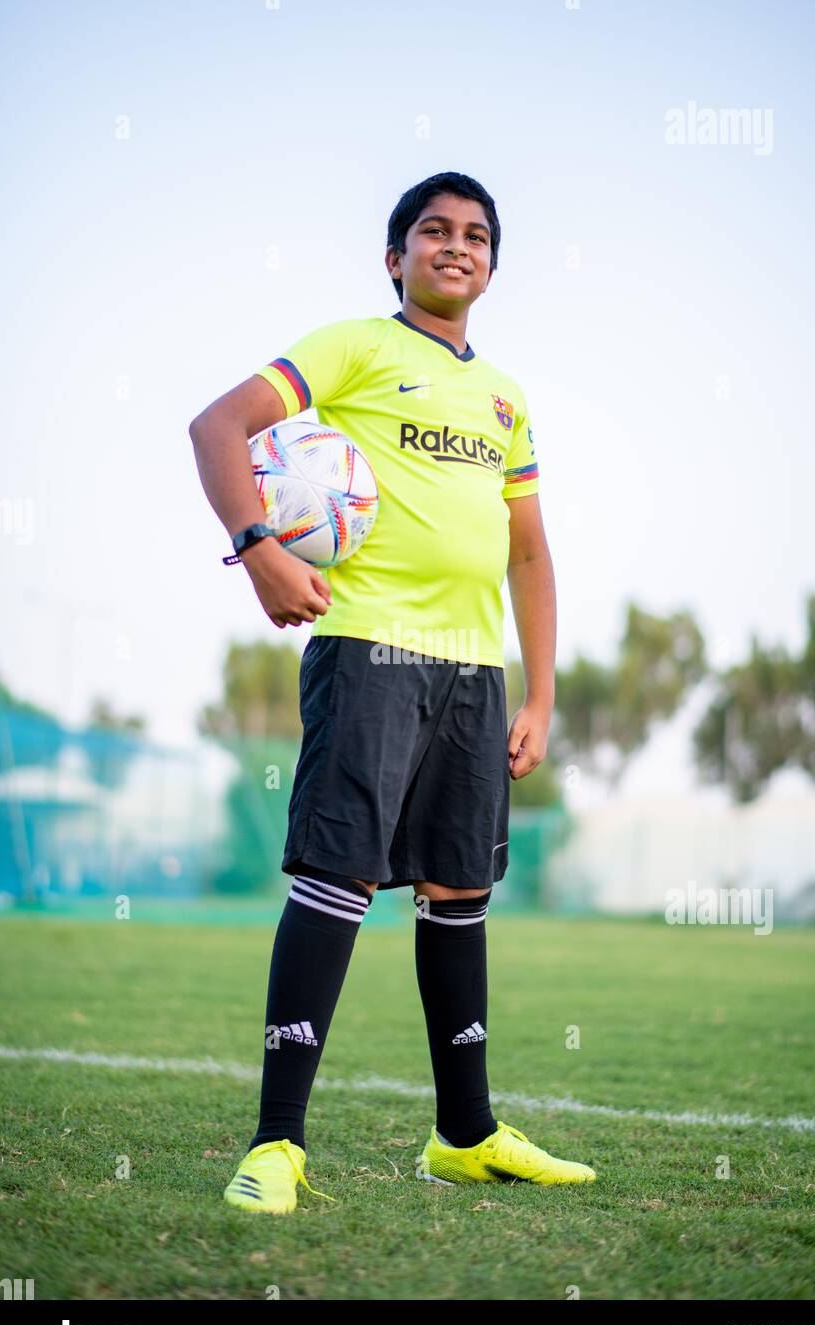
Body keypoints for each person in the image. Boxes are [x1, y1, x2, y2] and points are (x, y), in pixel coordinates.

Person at [189, 171, 596, 1214]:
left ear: (491, 267)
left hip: (474, 672)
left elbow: (530, 554)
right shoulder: (354, 346)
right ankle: (277, 1143)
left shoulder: (506, 396)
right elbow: (216, 427)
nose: (454, 246)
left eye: (474, 236)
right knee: (334, 876)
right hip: (369, 649)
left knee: (458, 893)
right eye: (432, 231)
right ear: (395, 256)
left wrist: (537, 694)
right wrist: (260, 548)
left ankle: (463, 1134)